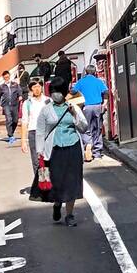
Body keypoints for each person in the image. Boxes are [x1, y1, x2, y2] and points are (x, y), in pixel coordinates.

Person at [31, 89, 88, 226]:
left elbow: (84, 127)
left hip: (72, 147)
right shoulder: (46, 110)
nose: (57, 94)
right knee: (57, 181)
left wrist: (74, 115)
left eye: (59, 91)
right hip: (54, 150)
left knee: (72, 183)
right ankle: (57, 203)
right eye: (54, 91)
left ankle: (69, 214)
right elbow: (40, 131)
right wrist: (40, 150)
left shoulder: (72, 107)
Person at [72, 63, 108, 161]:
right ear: (95, 72)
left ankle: (88, 144)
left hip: (86, 107)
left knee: (85, 128)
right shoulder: (98, 81)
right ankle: (97, 152)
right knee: (98, 128)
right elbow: (105, 92)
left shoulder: (81, 81)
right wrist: (104, 104)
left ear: (86, 72)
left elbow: (73, 92)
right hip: (97, 106)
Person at [19, 78, 47, 194]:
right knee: (36, 161)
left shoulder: (48, 101)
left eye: (38, 86)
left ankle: (47, 183)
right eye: (34, 86)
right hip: (33, 133)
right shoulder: (27, 103)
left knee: (47, 159)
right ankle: (42, 186)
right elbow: (24, 122)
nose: (36, 88)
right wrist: (23, 140)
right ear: (31, 89)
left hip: (46, 132)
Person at [0, 70, 23, 144]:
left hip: (15, 105)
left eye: (7, 77)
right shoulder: (1, 87)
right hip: (6, 105)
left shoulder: (15, 84)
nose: (7, 78)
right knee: (9, 120)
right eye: (5, 77)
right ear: (3, 78)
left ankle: (11, 133)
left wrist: (20, 96)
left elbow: (20, 91)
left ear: (9, 76)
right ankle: (10, 136)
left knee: (15, 120)